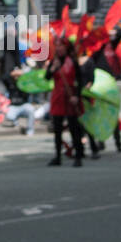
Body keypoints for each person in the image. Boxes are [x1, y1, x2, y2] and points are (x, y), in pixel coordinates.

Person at [48, 37, 84, 166]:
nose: (59, 48)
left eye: (61, 46)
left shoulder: (73, 62)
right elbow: (47, 77)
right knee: (57, 129)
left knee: (74, 128)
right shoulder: (54, 61)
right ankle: (57, 156)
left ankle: (78, 156)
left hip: (70, 98)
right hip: (58, 98)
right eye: (57, 46)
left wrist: (77, 96)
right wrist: (53, 69)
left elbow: (80, 81)